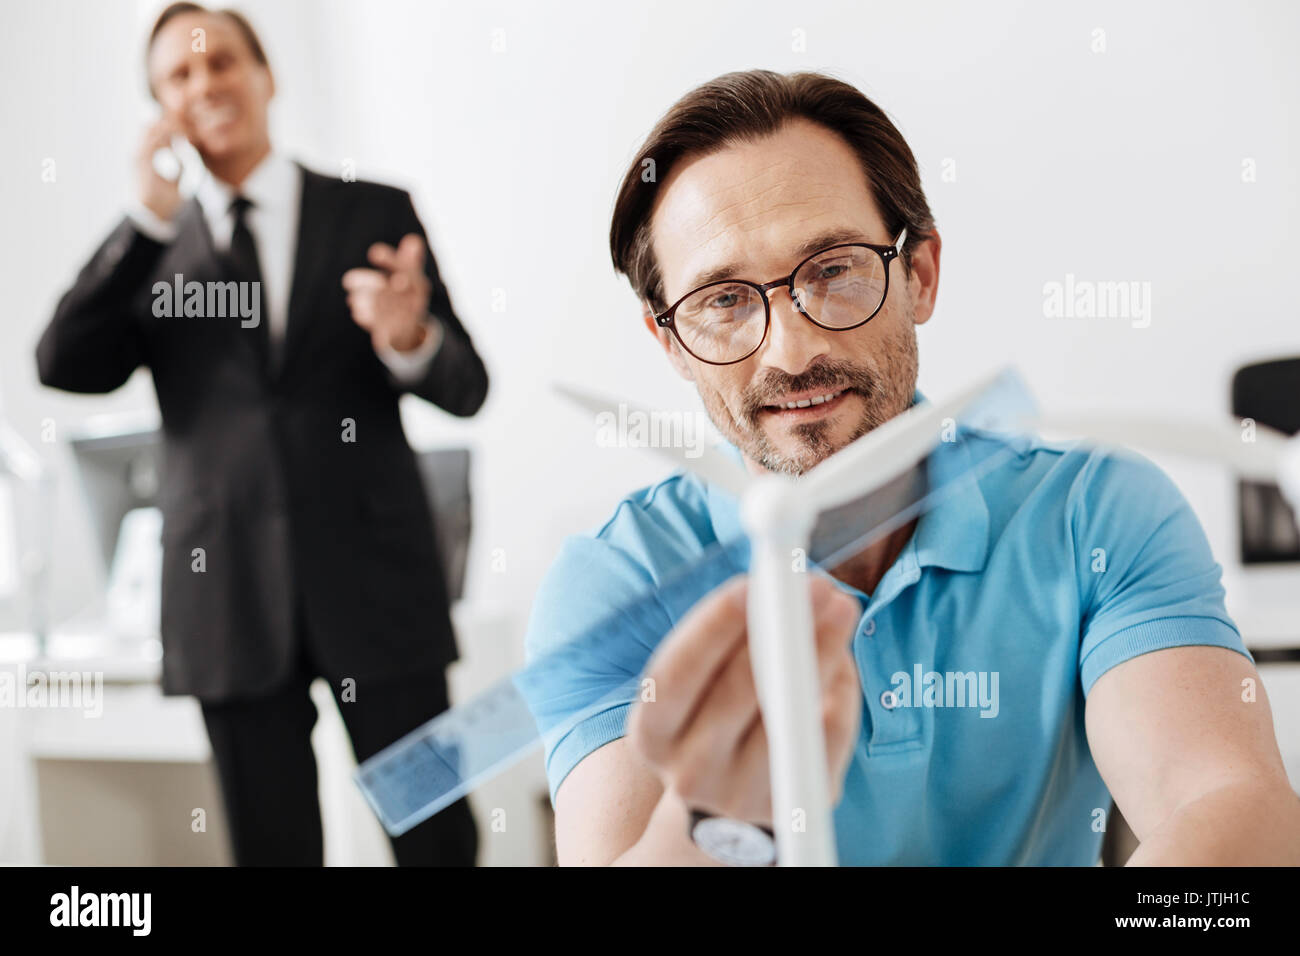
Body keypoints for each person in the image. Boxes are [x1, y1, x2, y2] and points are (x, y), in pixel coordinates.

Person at [523, 69, 1300, 865]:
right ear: (671, 345)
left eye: (832, 269)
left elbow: (1227, 805)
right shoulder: (614, 586)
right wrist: (719, 819)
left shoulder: (1094, 513)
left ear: (919, 274)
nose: (793, 351)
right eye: (723, 300)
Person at [35, 3, 484, 866]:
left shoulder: (374, 212)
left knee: (437, 843)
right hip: (228, 599)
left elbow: (469, 386)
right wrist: (145, 216)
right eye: (180, 75)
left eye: (223, 62)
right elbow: (62, 361)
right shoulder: (153, 249)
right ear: (159, 105)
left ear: (266, 76)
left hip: (378, 591)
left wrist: (407, 339)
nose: (206, 84)